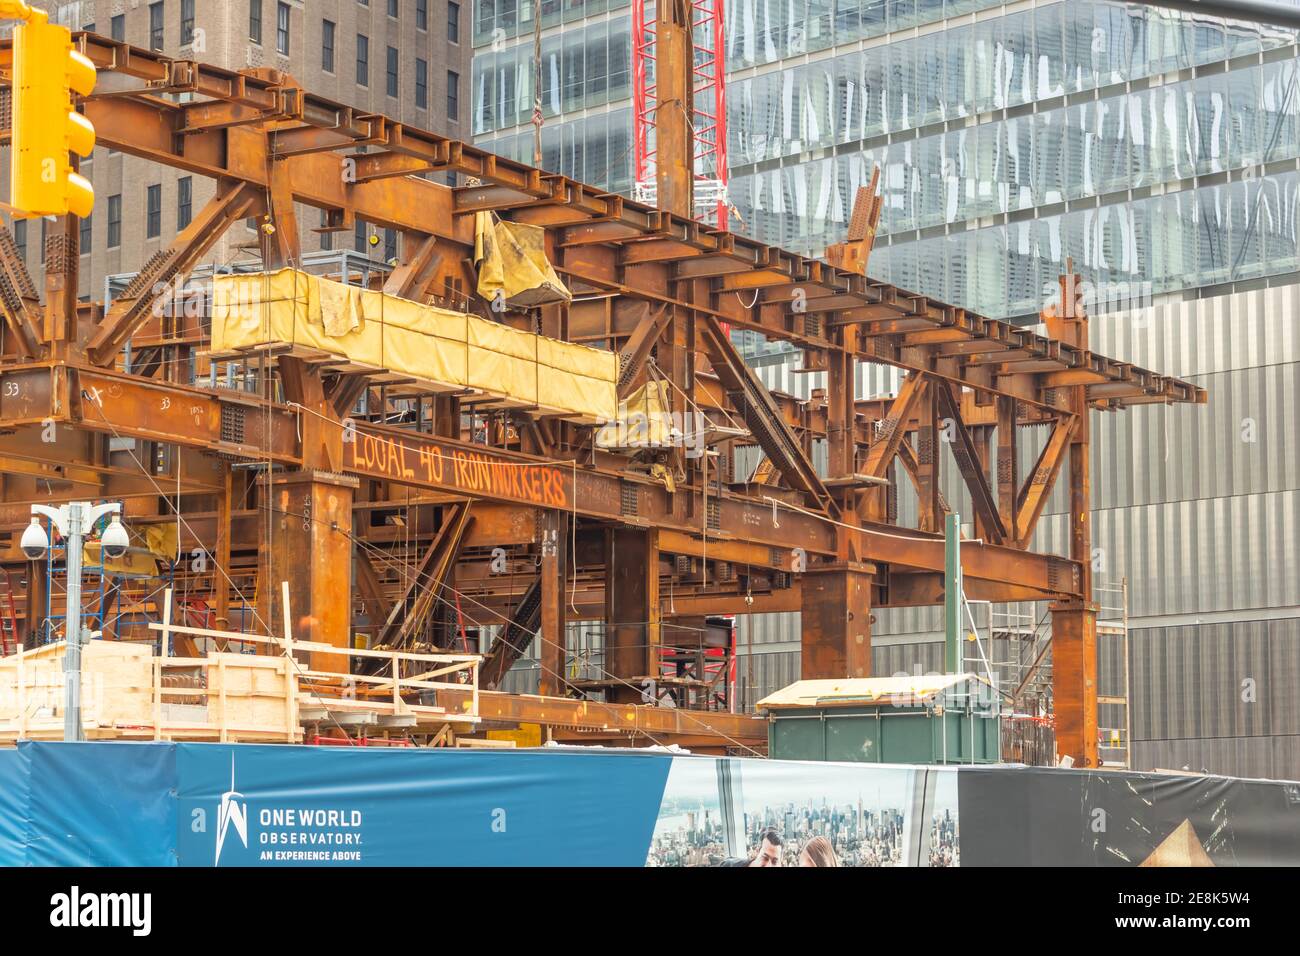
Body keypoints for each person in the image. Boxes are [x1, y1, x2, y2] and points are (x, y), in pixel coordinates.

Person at [717, 828, 783, 866]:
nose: (768, 866)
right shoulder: (729, 865)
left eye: (774, 862)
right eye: (765, 858)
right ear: (757, 852)